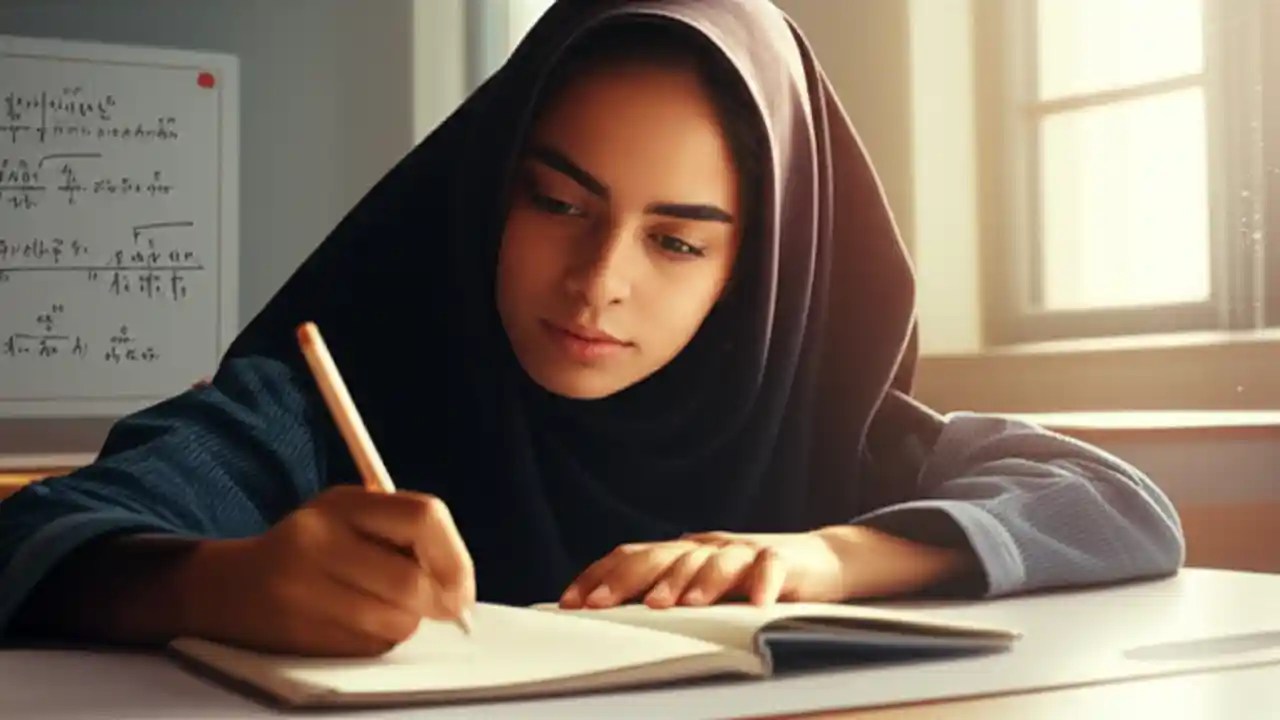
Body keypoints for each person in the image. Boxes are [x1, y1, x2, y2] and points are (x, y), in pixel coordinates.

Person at [0, 0, 1184, 658]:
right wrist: (216, 585)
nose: (595, 282)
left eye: (676, 241)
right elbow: (39, 533)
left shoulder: (825, 436)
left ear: (752, 278)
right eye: (555, 202)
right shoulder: (330, 400)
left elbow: (1116, 506)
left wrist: (828, 556)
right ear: (484, 190)